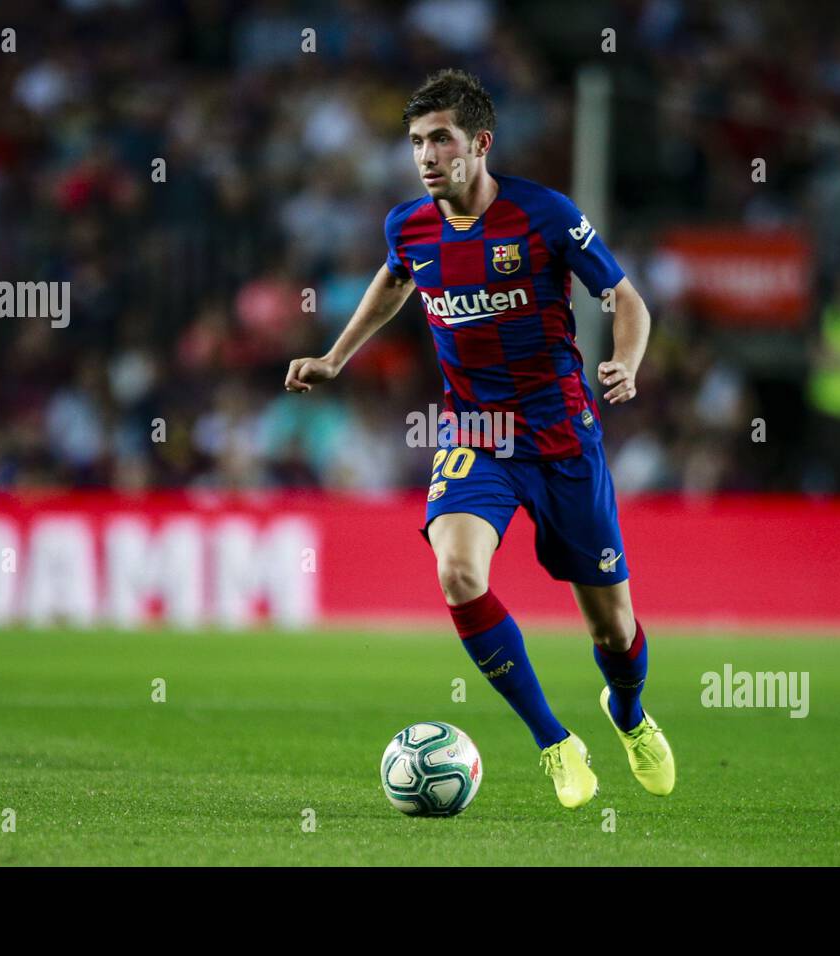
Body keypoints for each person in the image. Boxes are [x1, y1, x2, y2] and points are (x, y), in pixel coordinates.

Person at [284, 69, 673, 808]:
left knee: (614, 627)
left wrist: (625, 359)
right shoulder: (410, 225)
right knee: (458, 573)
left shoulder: (544, 216)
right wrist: (335, 356)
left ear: (479, 144)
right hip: (476, 432)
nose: (426, 156)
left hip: (561, 435)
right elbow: (396, 279)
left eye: (440, 140)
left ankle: (627, 714)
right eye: (416, 143)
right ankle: (555, 742)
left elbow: (624, 297)